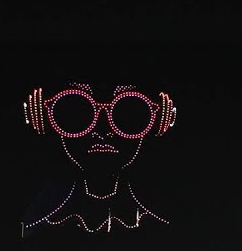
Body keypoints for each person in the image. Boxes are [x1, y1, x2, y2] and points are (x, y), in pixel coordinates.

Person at [25, 83, 174, 232]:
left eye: (126, 114)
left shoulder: (155, 208)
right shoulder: (49, 203)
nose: (102, 131)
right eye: (79, 112)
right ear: (40, 117)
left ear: (161, 118)